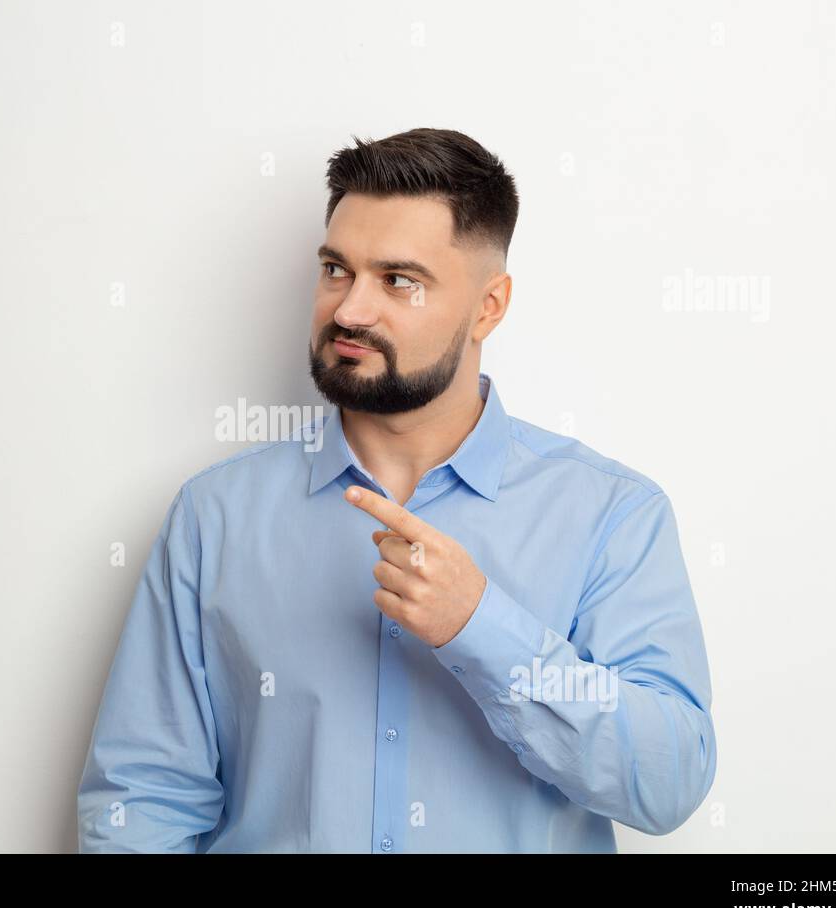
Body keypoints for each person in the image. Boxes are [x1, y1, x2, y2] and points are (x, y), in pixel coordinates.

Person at [77, 128, 717, 852]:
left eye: (399, 281)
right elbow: (143, 799)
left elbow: (669, 785)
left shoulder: (612, 515)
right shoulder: (214, 516)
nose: (350, 311)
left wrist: (482, 628)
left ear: (488, 307)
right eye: (335, 270)